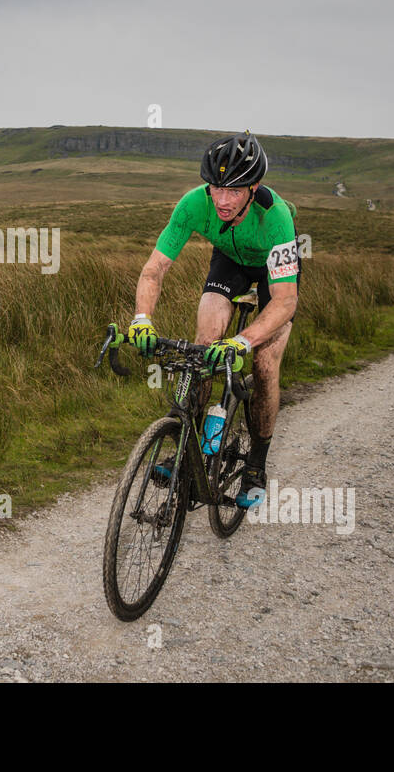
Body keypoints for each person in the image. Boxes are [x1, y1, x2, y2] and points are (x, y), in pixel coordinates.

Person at [128, 131, 299, 509]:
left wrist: (243, 341)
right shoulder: (193, 204)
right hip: (229, 262)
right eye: (216, 188)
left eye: (234, 191)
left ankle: (255, 465)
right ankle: (187, 450)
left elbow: (286, 301)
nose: (222, 200)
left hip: (273, 275)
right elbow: (155, 268)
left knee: (266, 364)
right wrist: (142, 319)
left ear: (253, 187)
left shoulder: (277, 215)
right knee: (203, 347)